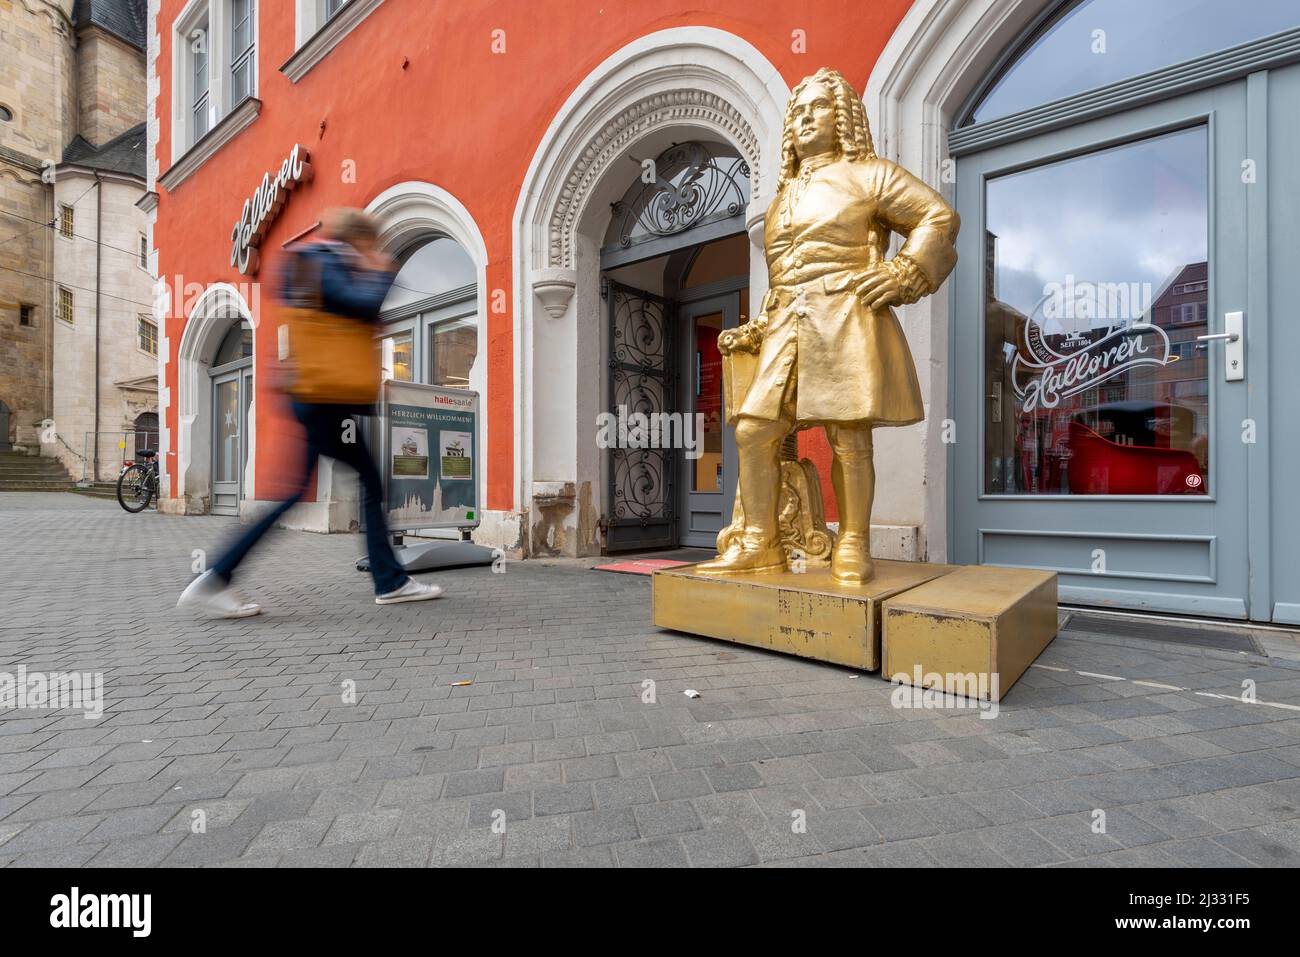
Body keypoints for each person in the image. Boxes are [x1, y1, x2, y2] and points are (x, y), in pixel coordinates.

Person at [697, 68, 959, 583]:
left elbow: (937, 218)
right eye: (796, 112)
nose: (803, 118)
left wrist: (904, 272)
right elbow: (781, 273)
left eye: (816, 107)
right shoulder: (781, 198)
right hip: (785, 323)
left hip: (845, 313)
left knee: (849, 437)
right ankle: (760, 543)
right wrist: (761, 324)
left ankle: (854, 542)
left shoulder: (871, 175)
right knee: (754, 431)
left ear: (842, 118)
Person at [178, 208, 442, 617]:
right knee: (359, 486)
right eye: (370, 244)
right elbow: (360, 305)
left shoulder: (313, 262)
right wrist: (381, 272)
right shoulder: (327, 261)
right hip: (326, 398)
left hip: (317, 395)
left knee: (312, 490)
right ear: (359, 239)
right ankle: (218, 576)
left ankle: (218, 576)